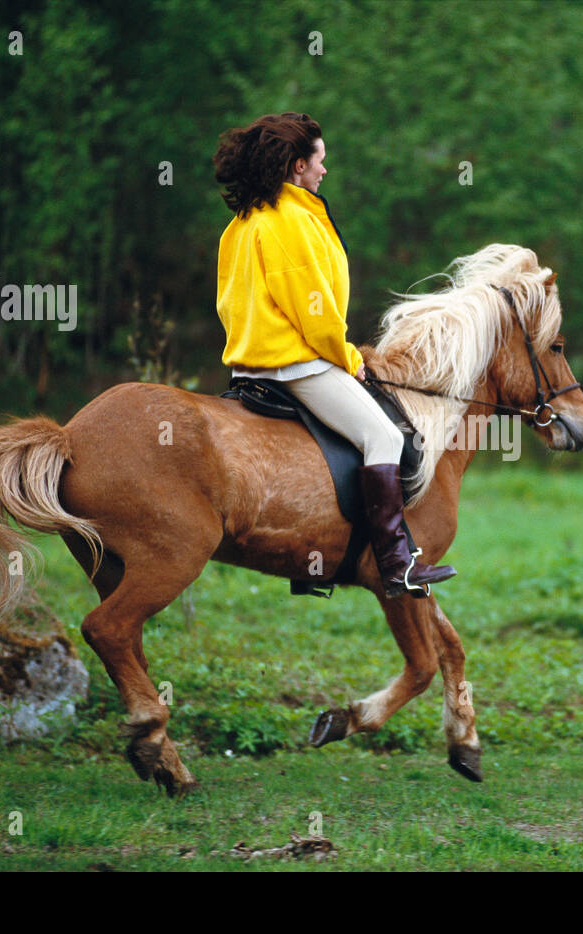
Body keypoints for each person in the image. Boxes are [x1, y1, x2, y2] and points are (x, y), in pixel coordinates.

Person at [212, 112, 455, 597]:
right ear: (298, 165)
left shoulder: (242, 222)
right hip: (295, 365)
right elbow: (314, 312)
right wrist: (346, 355)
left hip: (249, 365)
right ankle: (397, 563)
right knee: (384, 437)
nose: (325, 171)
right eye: (320, 161)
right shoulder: (291, 221)